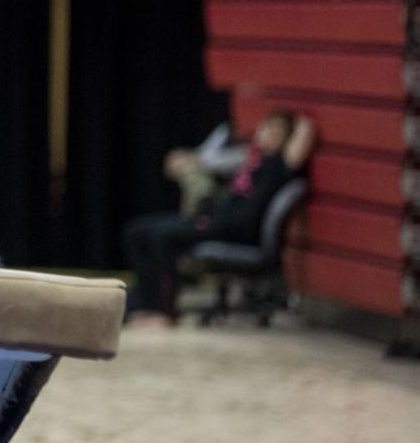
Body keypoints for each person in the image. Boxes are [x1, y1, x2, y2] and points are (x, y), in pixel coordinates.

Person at [122, 110, 315, 325]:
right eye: (267, 128)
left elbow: (304, 133)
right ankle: (143, 304)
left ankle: (163, 312)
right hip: (215, 220)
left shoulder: (281, 164)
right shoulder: (253, 159)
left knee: (162, 237)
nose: (269, 134)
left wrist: (300, 123)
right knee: (136, 230)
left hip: (235, 231)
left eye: (277, 131)